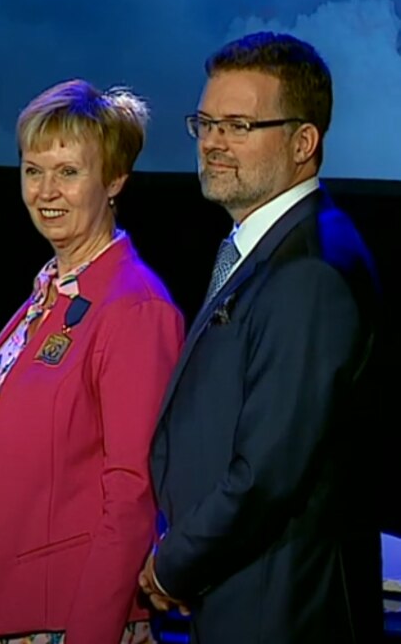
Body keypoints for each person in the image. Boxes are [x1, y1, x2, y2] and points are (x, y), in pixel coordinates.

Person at [141, 32, 382, 642]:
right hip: (235, 593)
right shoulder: (262, 248)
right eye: (206, 122)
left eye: (239, 125)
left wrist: (173, 564)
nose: (215, 143)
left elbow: (267, 476)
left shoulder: (309, 272)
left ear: (304, 143)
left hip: (276, 608)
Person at [0, 79, 184, 643]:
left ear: (114, 180)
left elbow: (132, 495)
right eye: (33, 170)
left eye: (68, 172)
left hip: (68, 620)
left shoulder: (134, 306)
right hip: (1, 607)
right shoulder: (49, 293)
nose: (45, 190)